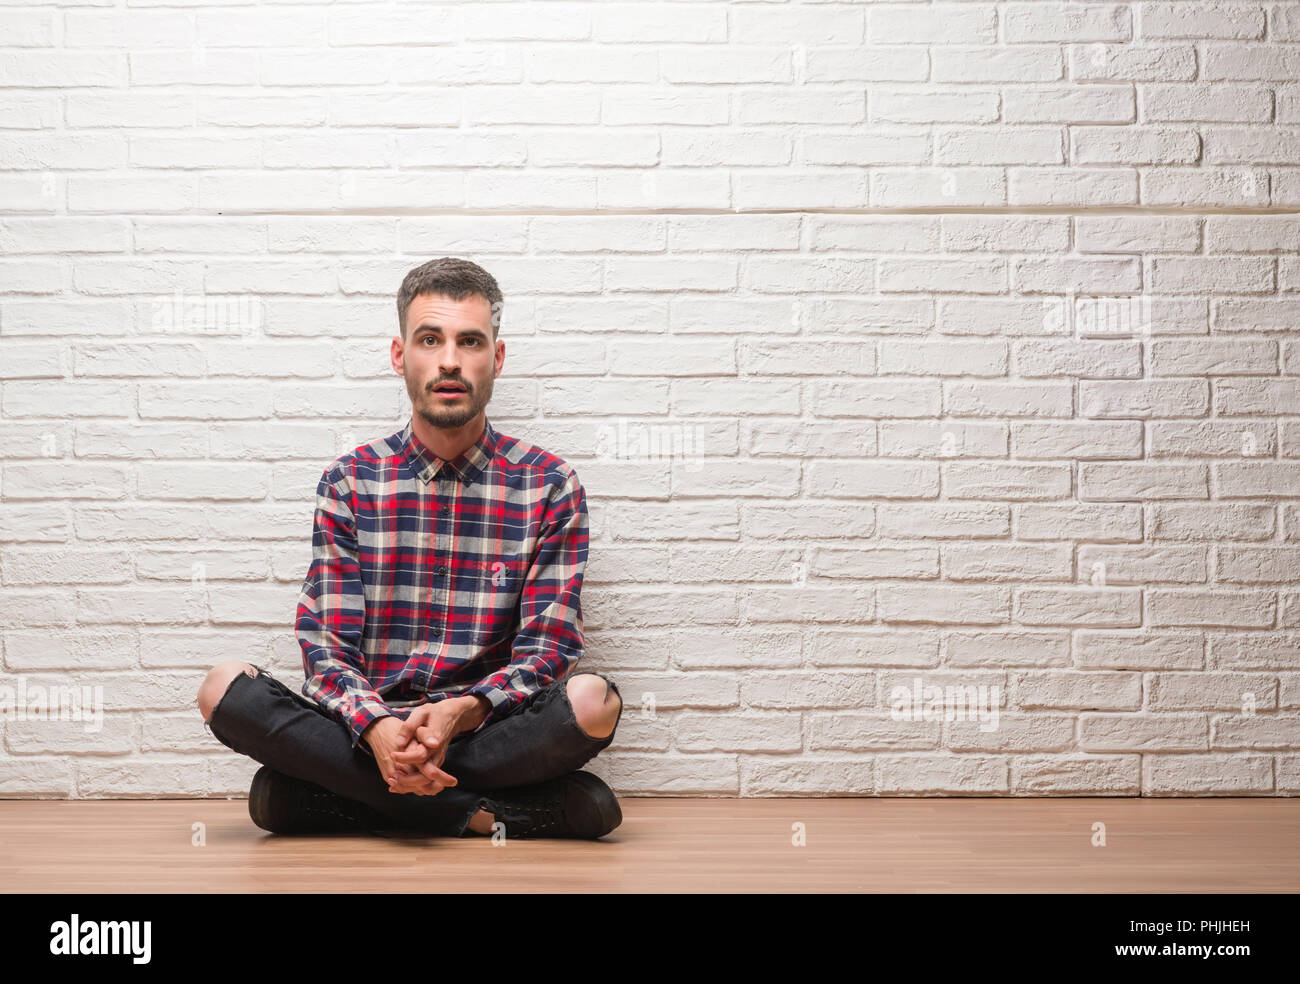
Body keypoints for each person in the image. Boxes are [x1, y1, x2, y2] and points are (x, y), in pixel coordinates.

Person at [196, 257, 623, 840]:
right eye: (430, 339)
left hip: (485, 728)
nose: (449, 360)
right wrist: (376, 728)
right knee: (222, 688)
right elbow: (325, 648)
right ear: (401, 355)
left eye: (469, 341)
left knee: (593, 702)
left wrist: (458, 712)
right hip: (363, 729)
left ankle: (333, 799)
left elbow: (548, 650)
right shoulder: (350, 480)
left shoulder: (549, 484)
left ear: (495, 358)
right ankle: (478, 814)